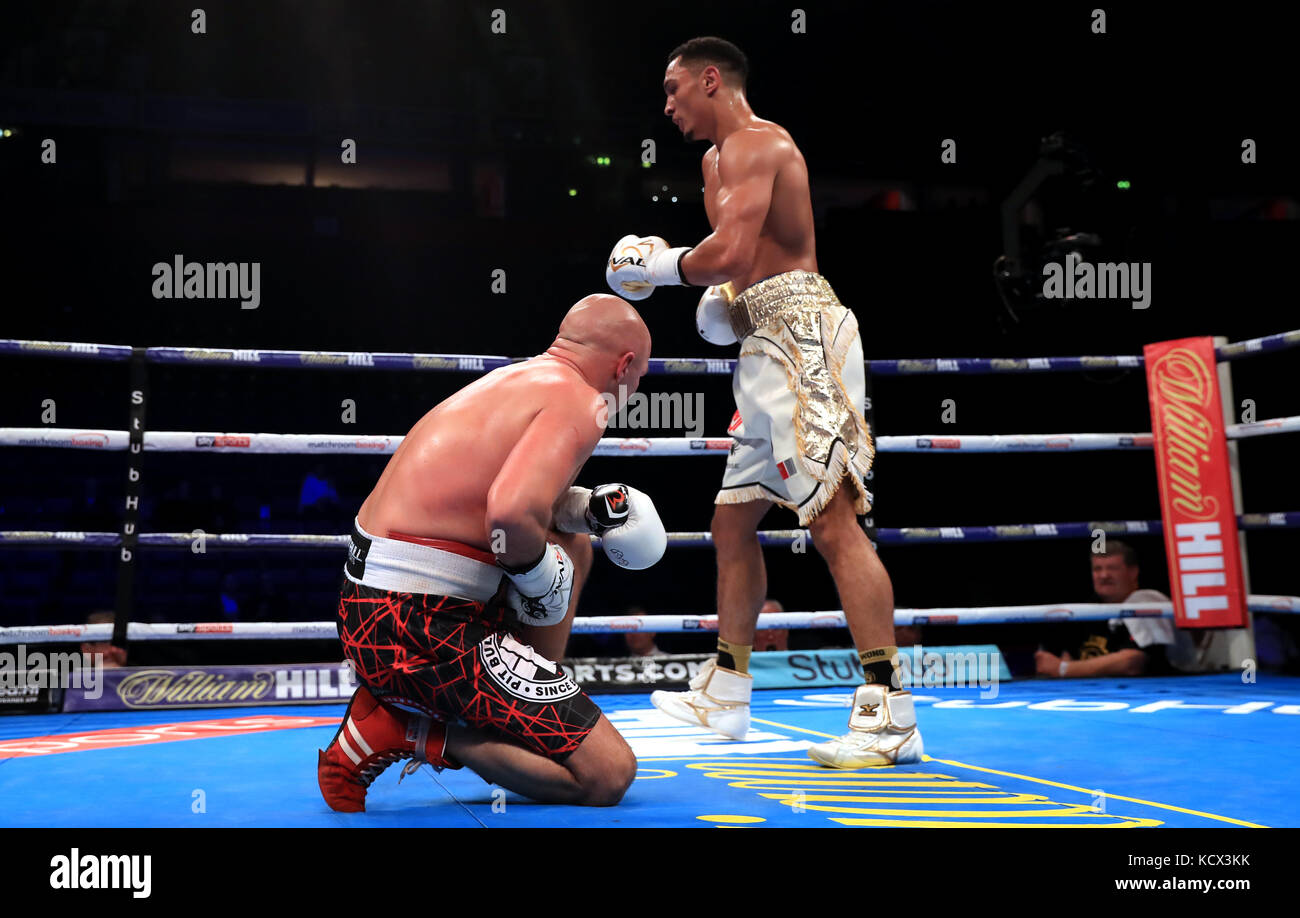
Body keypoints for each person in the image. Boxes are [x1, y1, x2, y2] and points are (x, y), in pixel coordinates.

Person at [607, 37, 920, 767]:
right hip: (762, 348)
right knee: (730, 521)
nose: (667, 105)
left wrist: (657, 265)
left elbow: (733, 252)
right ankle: (727, 687)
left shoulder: (757, 143)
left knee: (834, 520)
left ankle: (889, 711)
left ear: (711, 80)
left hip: (803, 338)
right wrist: (721, 299)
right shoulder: (714, 162)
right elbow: (737, 267)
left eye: (674, 87)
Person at [317, 294, 668, 811]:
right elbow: (507, 513)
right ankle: (412, 730)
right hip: (415, 625)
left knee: (571, 545)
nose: (634, 390)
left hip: (379, 609)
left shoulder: (520, 380)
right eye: (639, 379)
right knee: (609, 775)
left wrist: (589, 511)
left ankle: (519, 715)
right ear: (626, 365)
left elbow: (507, 498)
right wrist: (539, 581)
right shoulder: (584, 400)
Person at [1034, 540, 1198, 678]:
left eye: (1112, 568)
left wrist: (1064, 670)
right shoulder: (1089, 610)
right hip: (1100, 693)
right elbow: (1055, 658)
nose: (1104, 575)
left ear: (1133, 572)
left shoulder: (1147, 601)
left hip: (1157, 692)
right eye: (1098, 569)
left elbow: (1132, 663)